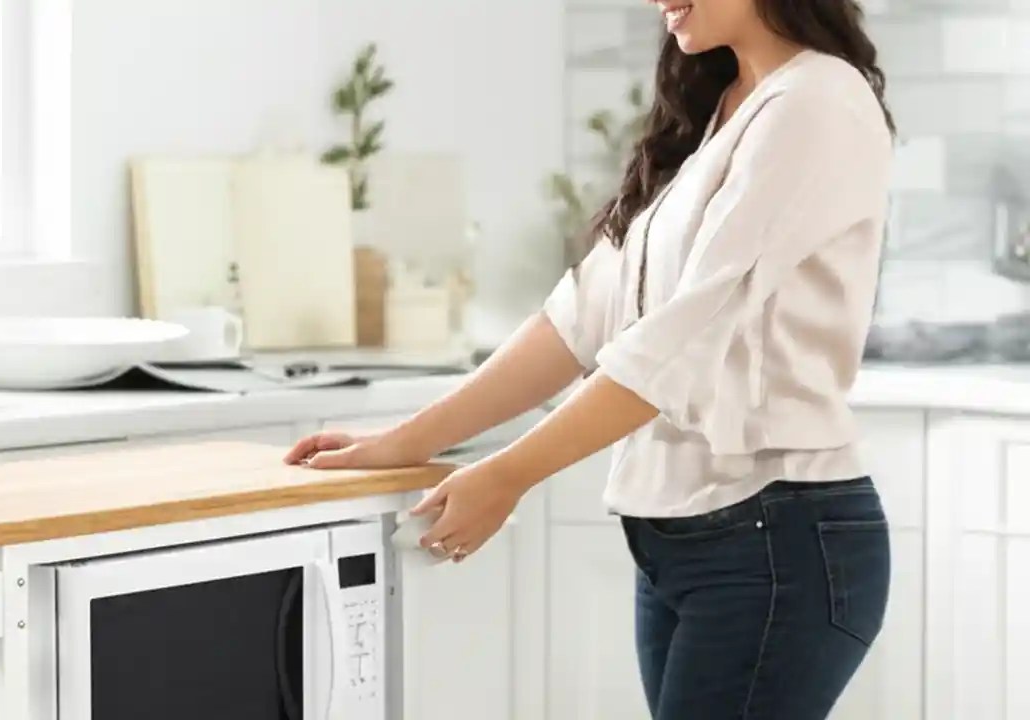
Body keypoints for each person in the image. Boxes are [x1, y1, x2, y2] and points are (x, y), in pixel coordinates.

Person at [285, 0, 894, 717]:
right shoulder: (724, 107)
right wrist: (405, 441)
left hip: (775, 538)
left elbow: (679, 343)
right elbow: (580, 318)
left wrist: (508, 473)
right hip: (683, 544)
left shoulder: (817, 103)